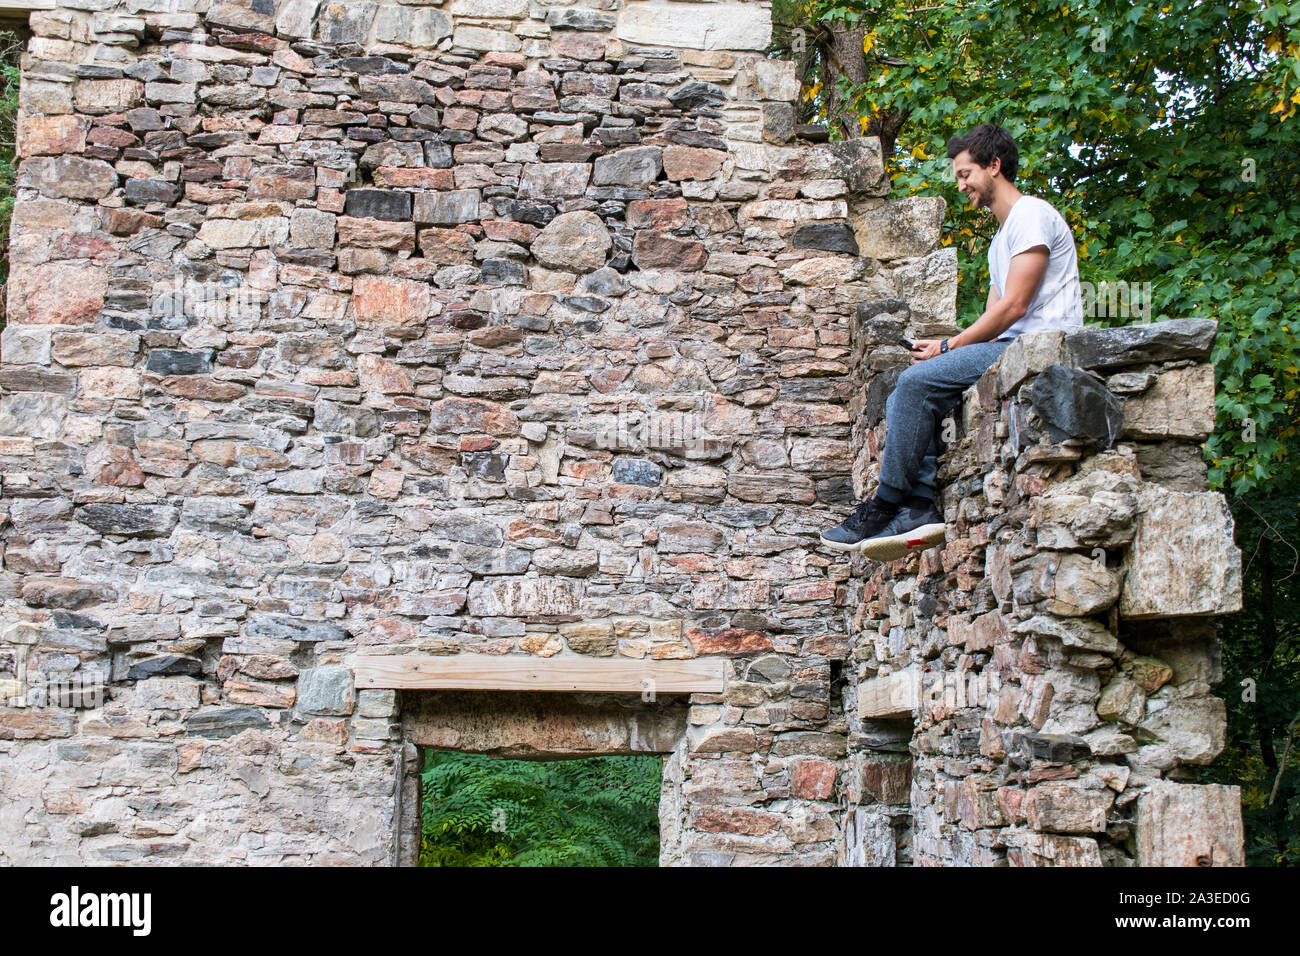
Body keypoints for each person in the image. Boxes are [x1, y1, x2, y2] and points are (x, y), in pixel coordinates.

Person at [821, 123, 1084, 560]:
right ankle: (921, 505)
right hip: (1011, 344)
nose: (961, 185)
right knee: (912, 384)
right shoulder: (1000, 240)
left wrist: (949, 347)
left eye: (965, 174)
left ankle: (886, 504)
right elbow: (993, 320)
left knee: (915, 384)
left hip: (1042, 346)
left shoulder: (1032, 216)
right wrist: (942, 348)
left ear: (994, 166)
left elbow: (1015, 306)